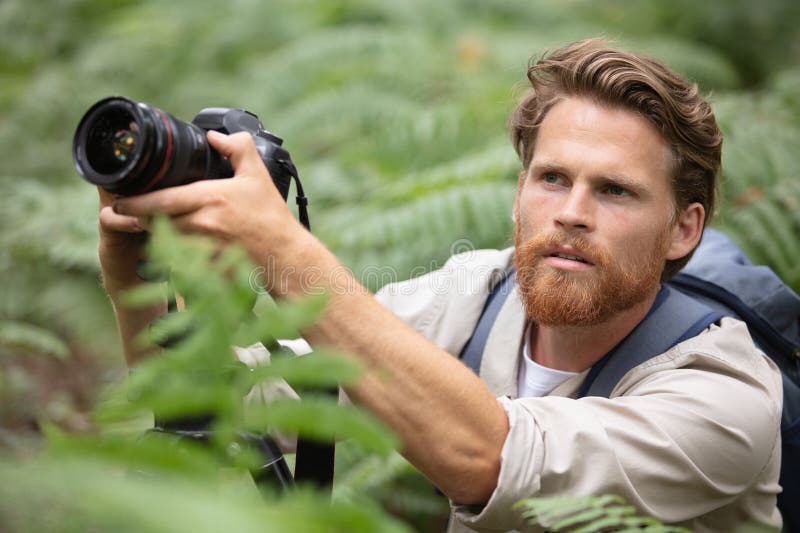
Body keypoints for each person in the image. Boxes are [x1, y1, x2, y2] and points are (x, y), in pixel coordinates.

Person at [97, 39, 783, 531]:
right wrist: (137, 274)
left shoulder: (727, 393)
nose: (572, 211)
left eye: (615, 190)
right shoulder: (478, 294)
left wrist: (282, 251)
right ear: (519, 194)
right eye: (552, 178)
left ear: (683, 229)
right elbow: (223, 406)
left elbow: (495, 459)